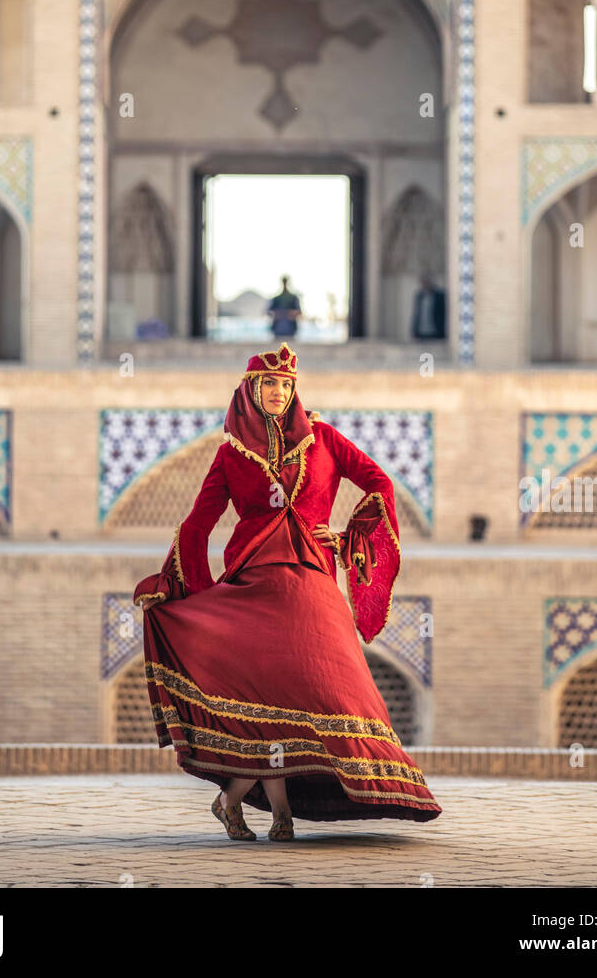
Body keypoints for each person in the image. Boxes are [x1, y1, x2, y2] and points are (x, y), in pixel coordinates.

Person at [132, 342, 442, 841]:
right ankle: (273, 813)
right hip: (256, 582)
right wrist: (194, 592)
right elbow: (197, 525)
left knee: (330, 685)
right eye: (269, 384)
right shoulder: (231, 455)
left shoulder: (323, 438)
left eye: (286, 385)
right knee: (271, 698)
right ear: (250, 390)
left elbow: (379, 483)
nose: (279, 393)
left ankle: (237, 801)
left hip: (313, 581)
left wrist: (348, 539)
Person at [411, 273, 446, 340]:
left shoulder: (440, 296)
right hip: (421, 333)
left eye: (426, 281)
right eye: (423, 282)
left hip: (435, 333)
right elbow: (417, 314)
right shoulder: (419, 296)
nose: (424, 284)